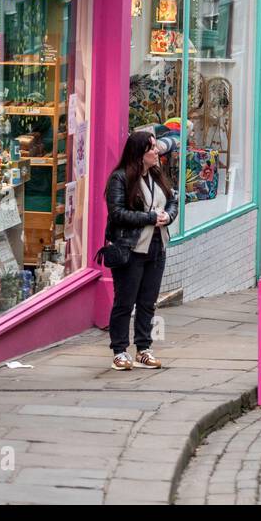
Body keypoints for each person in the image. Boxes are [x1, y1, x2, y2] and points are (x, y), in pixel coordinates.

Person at [105, 129, 178, 370]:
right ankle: (119, 351)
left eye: (156, 147)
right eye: (152, 148)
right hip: (130, 248)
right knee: (125, 301)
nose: (157, 151)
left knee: (148, 301)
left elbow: (173, 200)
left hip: (157, 246)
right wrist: (149, 217)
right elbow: (117, 214)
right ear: (139, 153)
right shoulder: (120, 178)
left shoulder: (157, 175)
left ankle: (144, 349)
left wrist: (168, 216)